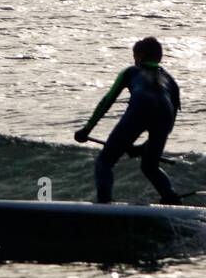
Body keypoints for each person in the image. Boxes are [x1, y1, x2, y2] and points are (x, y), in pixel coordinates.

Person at [74, 37, 182, 205]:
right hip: (165, 116)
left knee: (104, 162)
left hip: (140, 110)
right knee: (150, 167)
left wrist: (87, 129)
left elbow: (107, 101)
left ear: (137, 57)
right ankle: (171, 199)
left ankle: (104, 205)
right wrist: (144, 148)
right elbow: (169, 123)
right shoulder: (172, 82)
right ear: (159, 58)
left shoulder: (131, 72)